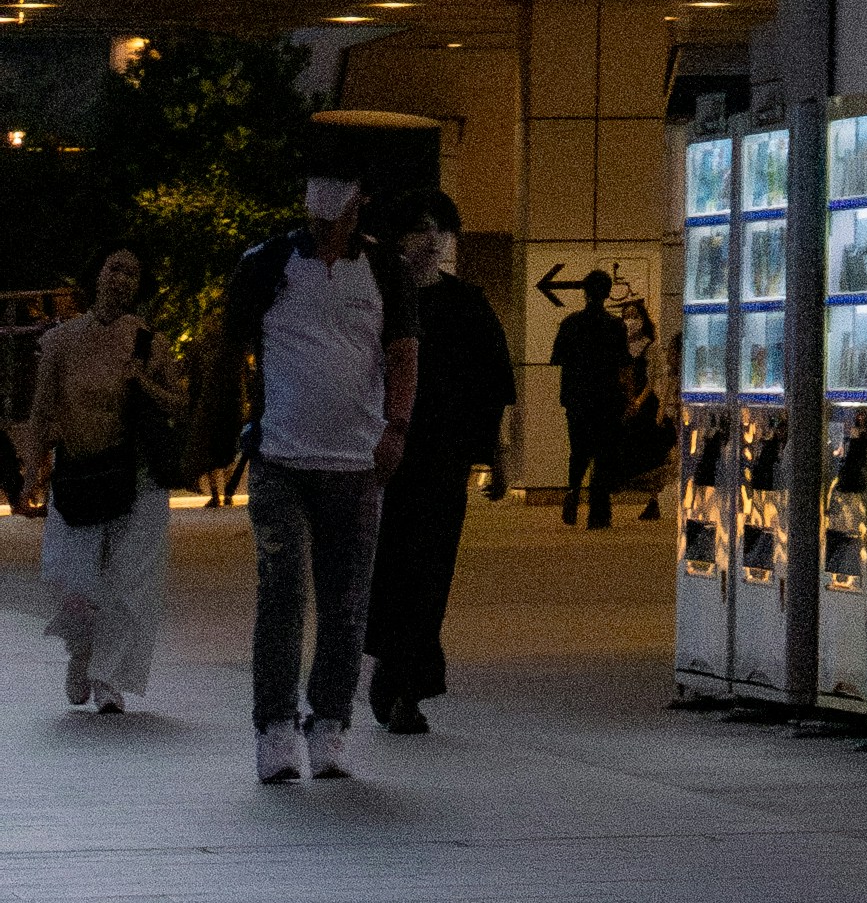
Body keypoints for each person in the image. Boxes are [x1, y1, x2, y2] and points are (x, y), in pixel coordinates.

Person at [204, 155, 419, 783]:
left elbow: (403, 354)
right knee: (282, 593)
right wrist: (216, 428)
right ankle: (274, 726)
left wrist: (396, 427)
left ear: (361, 202)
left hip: (354, 463)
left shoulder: (385, 270)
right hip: (279, 459)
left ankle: (330, 723)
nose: (327, 214)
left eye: (340, 200)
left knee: (346, 600)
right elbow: (226, 347)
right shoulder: (268, 264)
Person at [362, 211, 517, 730]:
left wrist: (495, 455)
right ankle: (390, 664)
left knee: (430, 571)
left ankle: (408, 683)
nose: (431, 240)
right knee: (386, 567)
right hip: (382, 458)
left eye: (440, 230)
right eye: (418, 228)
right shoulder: (375, 299)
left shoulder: (466, 303)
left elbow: (491, 383)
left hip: (442, 462)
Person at [29, 246, 178, 713]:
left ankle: (108, 679)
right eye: (115, 268)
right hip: (76, 472)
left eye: (133, 272)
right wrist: (33, 470)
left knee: (128, 583)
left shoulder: (149, 343)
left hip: (134, 477)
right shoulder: (60, 341)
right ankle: (81, 649)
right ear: (96, 274)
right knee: (66, 576)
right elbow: (41, 411)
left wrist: (144, 383)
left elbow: (178, 404)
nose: (122, 279)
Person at [548, 267, 630, 524]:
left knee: (579, 449)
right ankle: (599, 511)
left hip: (577, 397)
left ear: (584, 292)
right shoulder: (616, 326)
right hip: (607, 397)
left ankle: (573, 490)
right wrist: (628, 397)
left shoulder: (570, 323)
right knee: (604, 452)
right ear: (607, 293)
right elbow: (624, 364)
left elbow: (557, 359)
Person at [611, 279, 673, 516]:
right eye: (626, 316)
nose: (630, 321)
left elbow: (656, 378)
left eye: (634, 315)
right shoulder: (618, 347)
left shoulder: (651, 346)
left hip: (645, 406)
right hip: (624, 405)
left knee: (651, 454)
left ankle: (652, 500)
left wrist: (641, 402)